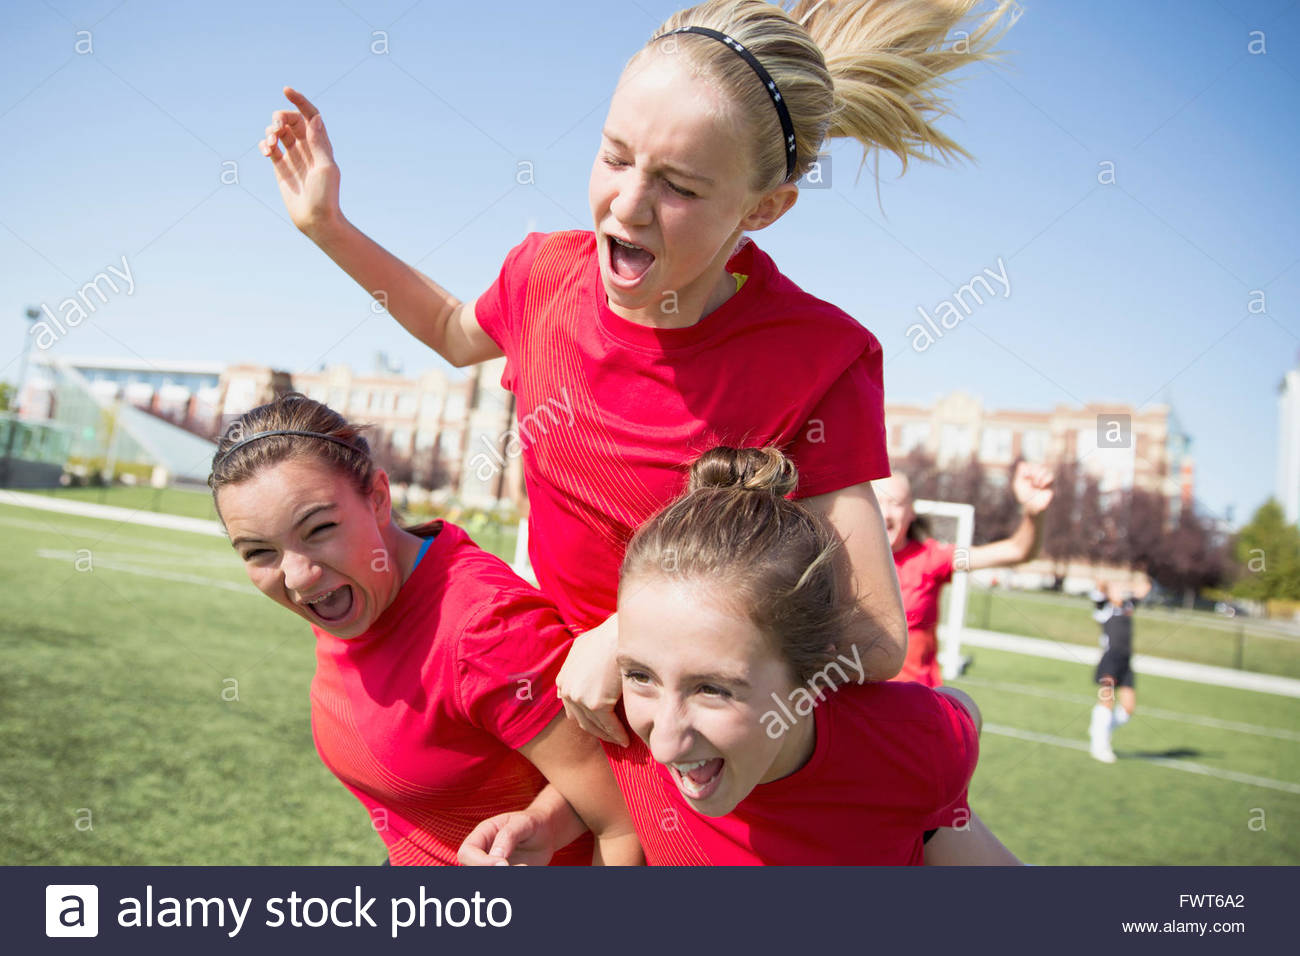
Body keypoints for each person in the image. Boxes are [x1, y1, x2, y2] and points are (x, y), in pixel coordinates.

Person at [258, 0, 1019, 743]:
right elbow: (455, 332)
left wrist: (637, 640)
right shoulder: (544, 277)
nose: (628, 204)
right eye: (615, 156)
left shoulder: (817, 357)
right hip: (563, 715)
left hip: (705, 746)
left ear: (765, 210)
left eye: (680, 187)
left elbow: (876, 635)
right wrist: (328, 223)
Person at [460, 447, 1020, 865]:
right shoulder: (634, 730)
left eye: (713, 689)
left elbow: (956, 716)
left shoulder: (903, 745)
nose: (665, 743)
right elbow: (623, 769)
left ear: (811, 675)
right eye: (639, 675)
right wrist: (543, 822)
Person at [209, 393, 640, 865]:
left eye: (318, 530)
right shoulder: (355, 589)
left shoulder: (485, 630)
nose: (296, 577)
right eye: (258, 552)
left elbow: (623, 819)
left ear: (377, 499)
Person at [872, 461, 1055, 687]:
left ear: (911, 512)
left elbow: (1017, 551)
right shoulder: (849, 559)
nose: (887, 513)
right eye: (878, 502)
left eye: (896, 503)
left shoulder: (932, 558)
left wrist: (1032, 513)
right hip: (859, 700)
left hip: (914, 700)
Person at [1088, 578, 1151, 764]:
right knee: (1106, 700)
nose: (1120, 592)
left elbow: (1146, 586)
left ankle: (1100, 728)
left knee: (1128, 709)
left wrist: (1128, 585)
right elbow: (1100, 586)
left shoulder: (1128, 606)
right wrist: (1107, 584)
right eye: (1115, 590)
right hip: (1110, 660)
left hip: (1126, 661)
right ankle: (1099, 745)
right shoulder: (1103, 608)